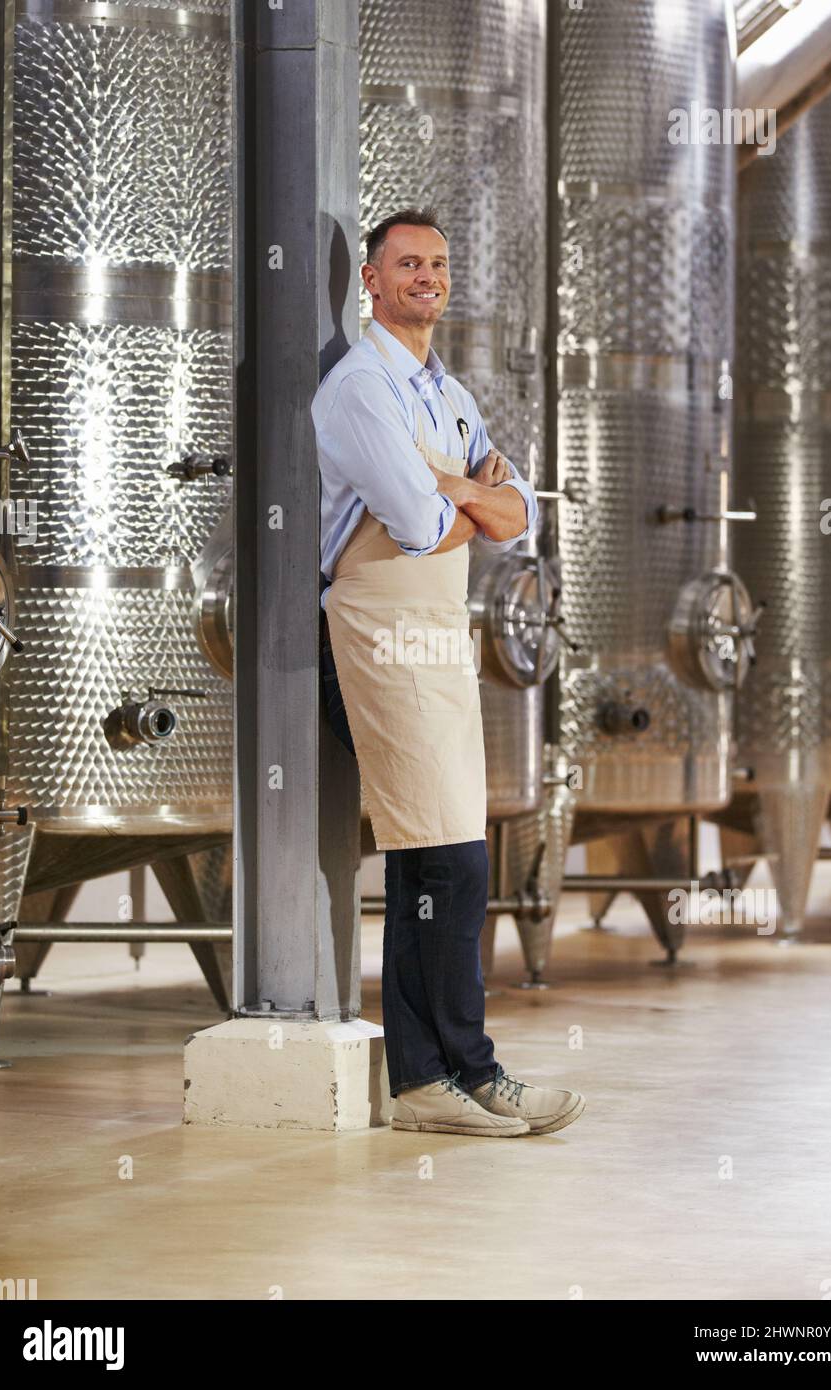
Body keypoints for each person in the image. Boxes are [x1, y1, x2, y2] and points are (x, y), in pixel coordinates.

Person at [312, 206, 585, 1137]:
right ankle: (466, 1072)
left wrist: (465, 491)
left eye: (438, 263)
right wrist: (476, 495)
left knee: (437, 855)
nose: (427, 276)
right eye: (407, 264)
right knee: (451, 861)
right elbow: (424, 525)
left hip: (438, 629)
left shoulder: (450, 395)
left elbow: (524, 518)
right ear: (372, 283)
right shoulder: (360, 389)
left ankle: (429, 1085)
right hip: (380, 624)